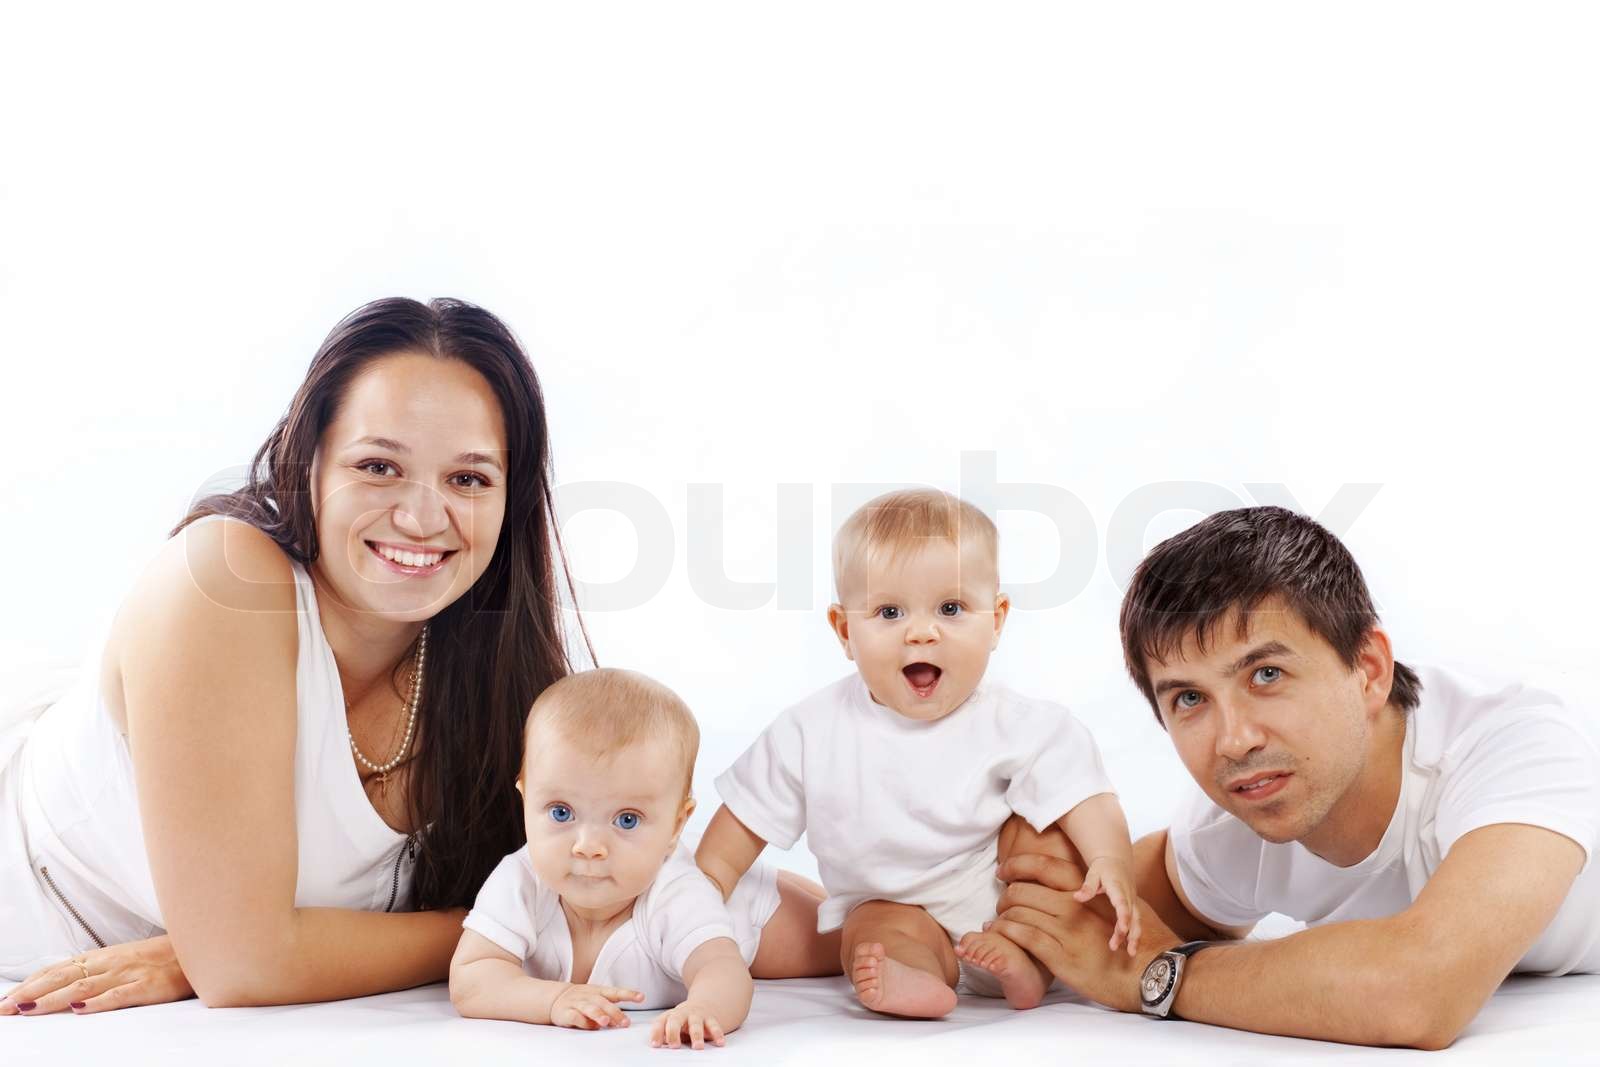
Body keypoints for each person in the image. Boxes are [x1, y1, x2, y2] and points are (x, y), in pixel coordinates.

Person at [1, 297, 585, 1015]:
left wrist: (240, 948)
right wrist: (493, 930)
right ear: (305, 463)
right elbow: (246, 966)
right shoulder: (222, 580)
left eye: (468, 479)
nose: (423, 516)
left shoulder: (493, 671)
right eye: (378, 465)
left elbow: (625, 884)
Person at [983, 506, 1600, 1049]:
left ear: (1369, 669)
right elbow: (1071, 911)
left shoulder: (1515, 744)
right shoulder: (1232, 820)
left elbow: (1420, 991)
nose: (1234, 741)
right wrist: (1026, 832)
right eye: (1189, 699)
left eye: (1267, 676)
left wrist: (1156, 974)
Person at [696, 488, 1138, 1019]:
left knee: (1051, 878)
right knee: (870, 933)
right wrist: (695, 899)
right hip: (896, 907)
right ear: (844, 631)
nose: (921, 632)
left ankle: (1024, 964)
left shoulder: (1020, 725)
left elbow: (1085, 798)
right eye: (889, 612)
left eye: (951, 609)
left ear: (995, 621)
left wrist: (1110, 863)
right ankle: (915, 976)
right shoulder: (811, 732)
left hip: (998, 900)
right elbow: (738, 830)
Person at [449, 668, 838, 1050]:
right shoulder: (520, 881)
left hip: (746, 908)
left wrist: (704, 1005)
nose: (588, 846)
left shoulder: (678, 893)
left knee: (847, 936)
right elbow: (472, 979)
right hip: (682, 870)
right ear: (525, 798)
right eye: (561, 812)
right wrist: (551, 999)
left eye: (626, 820)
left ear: (675, 825)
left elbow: (723, 971)